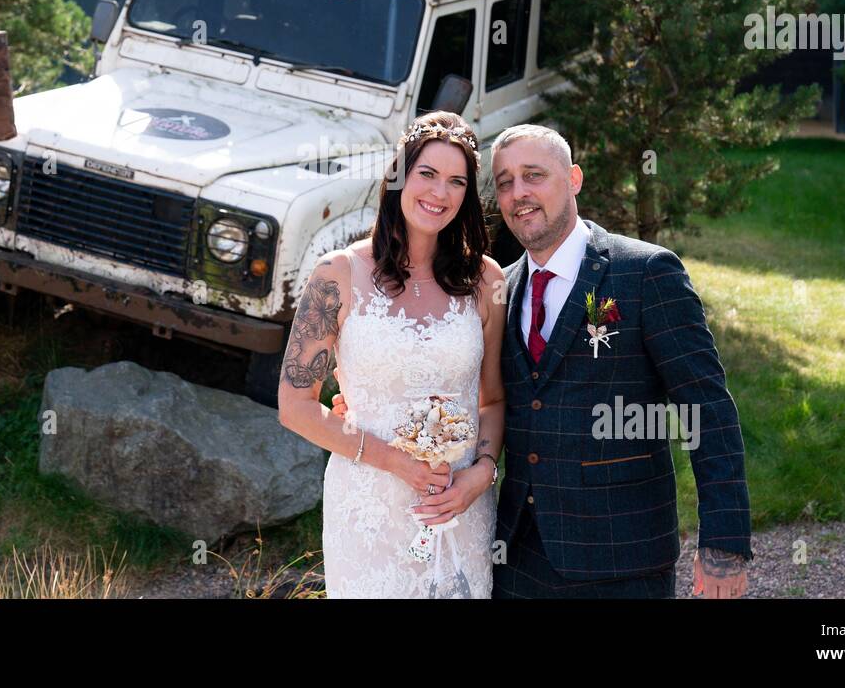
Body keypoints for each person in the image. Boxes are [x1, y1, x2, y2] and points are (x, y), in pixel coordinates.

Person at [335, 123, 754, 598]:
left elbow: (707, 410)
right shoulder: (497, 288)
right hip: (517, 557)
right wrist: (370, 401)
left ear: (573, 179)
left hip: (623, 559)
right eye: (507, 181)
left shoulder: (645, 273)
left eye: (534, 175)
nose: (520, 193)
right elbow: (473, 395)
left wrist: (724, 546)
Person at [277, 111, 505, 598]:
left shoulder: (487, 282)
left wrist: (481, 475)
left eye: (456, 182)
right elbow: (295, 406)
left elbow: (492, 401)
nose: (438, 194)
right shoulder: (335, 275)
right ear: (399, 176)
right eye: (427, 174)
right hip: (367, 509)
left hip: (459, 506)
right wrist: (397, 462)